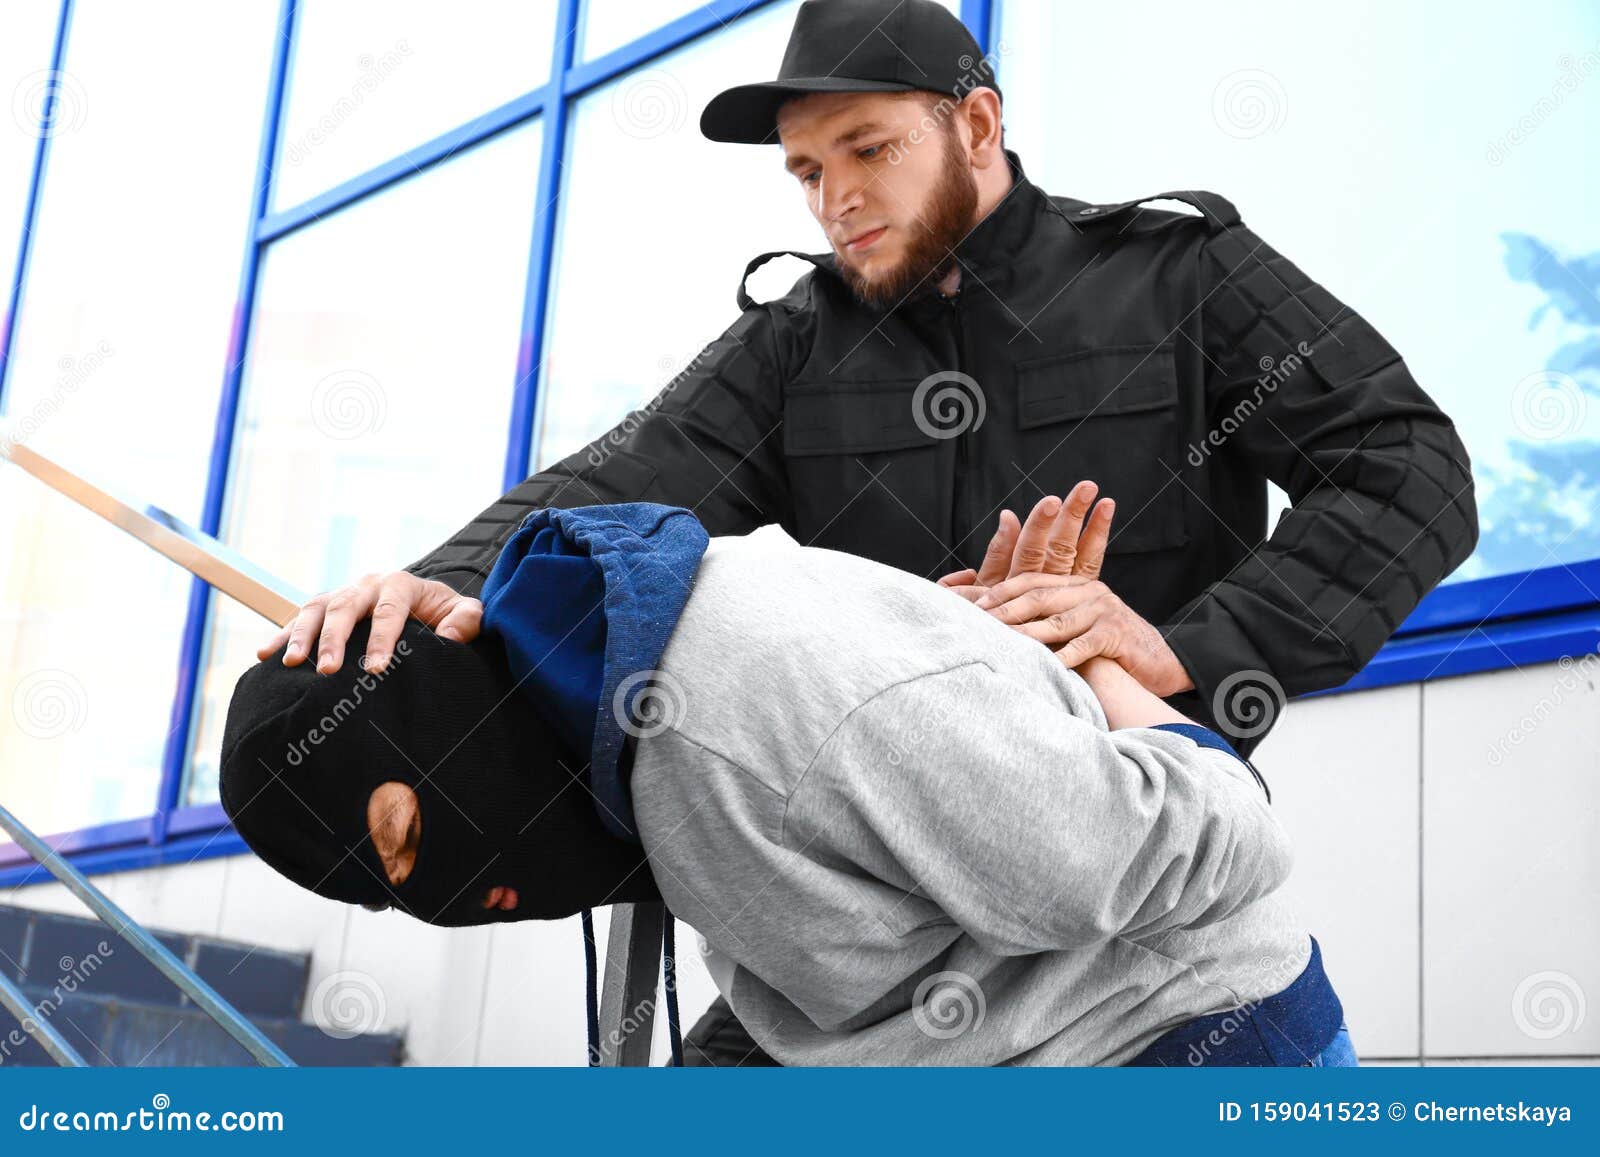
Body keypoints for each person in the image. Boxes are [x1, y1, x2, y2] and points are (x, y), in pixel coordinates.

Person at [256, 0, 1474, 1065]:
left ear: (978, 126)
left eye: (868, 149)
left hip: (1126, 917)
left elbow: (1405, 469)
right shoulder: (796, 344)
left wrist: (1181, 654)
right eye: (804, 171)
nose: (835, 198)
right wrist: (426, 589)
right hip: (872, 947)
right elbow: (615, 482)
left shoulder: (1179, 274)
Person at [221, 500, 1356, 1066]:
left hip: (1178, 1044)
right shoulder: (585, 705)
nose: (448, 895)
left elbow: (1218, 837)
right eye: (384, 885)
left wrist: (1090, 650)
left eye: (407, 834)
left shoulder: (759, 709)